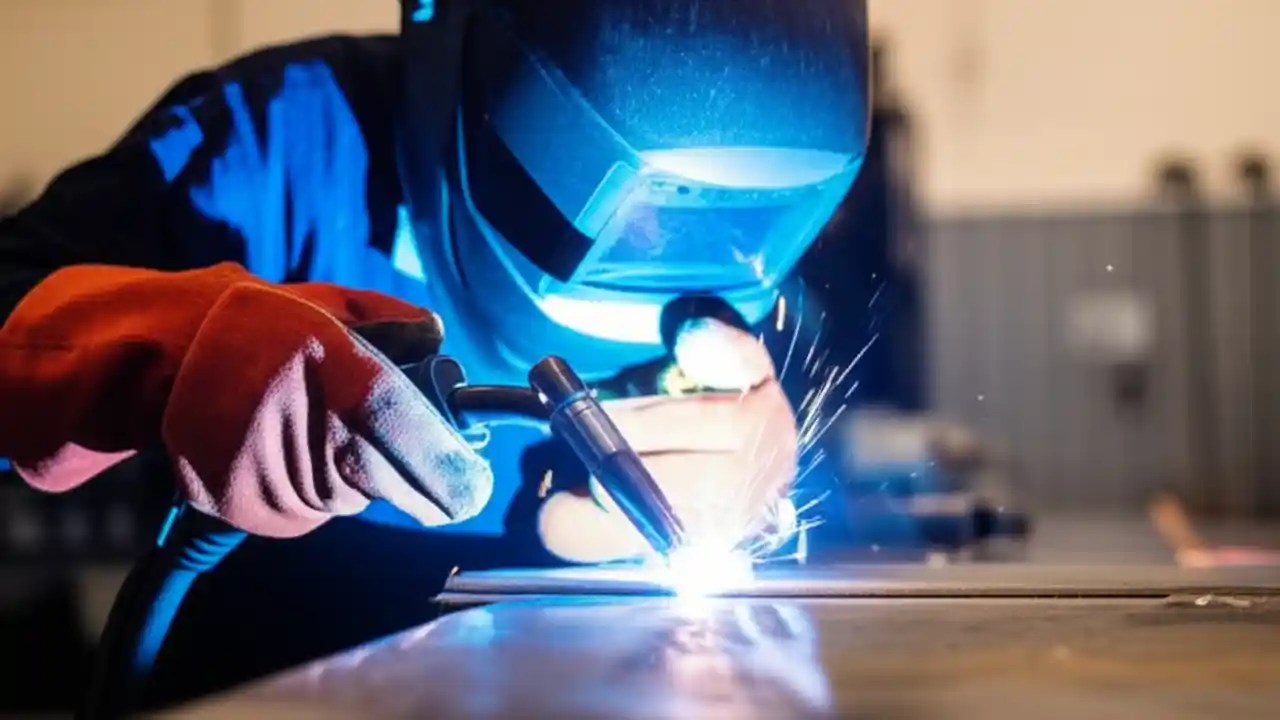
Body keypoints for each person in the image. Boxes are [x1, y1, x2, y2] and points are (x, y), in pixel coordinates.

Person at [0, 0, 870, 702]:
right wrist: (166, 348)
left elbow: (825, 438)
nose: (655, 248)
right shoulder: (273, 144)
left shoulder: (759, 265)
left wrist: (763, 467)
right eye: (642, 212)